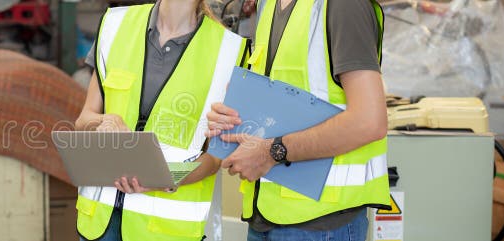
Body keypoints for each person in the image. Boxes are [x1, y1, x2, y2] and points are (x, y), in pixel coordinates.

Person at [206, 0, 391, 240]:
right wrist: (232, 114)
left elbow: (369, 122)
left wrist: (270, 152)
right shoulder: (267, 4)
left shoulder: (345, 6)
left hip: (323, 223)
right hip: (266, 214)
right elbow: (283, 98)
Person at [72, 0, 249, 240]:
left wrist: (164, 176)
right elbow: (83, 120)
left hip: (164, 231)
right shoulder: (116, 24)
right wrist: (104, 122)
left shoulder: (229, 50)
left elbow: (216, 158)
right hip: (98, 223)